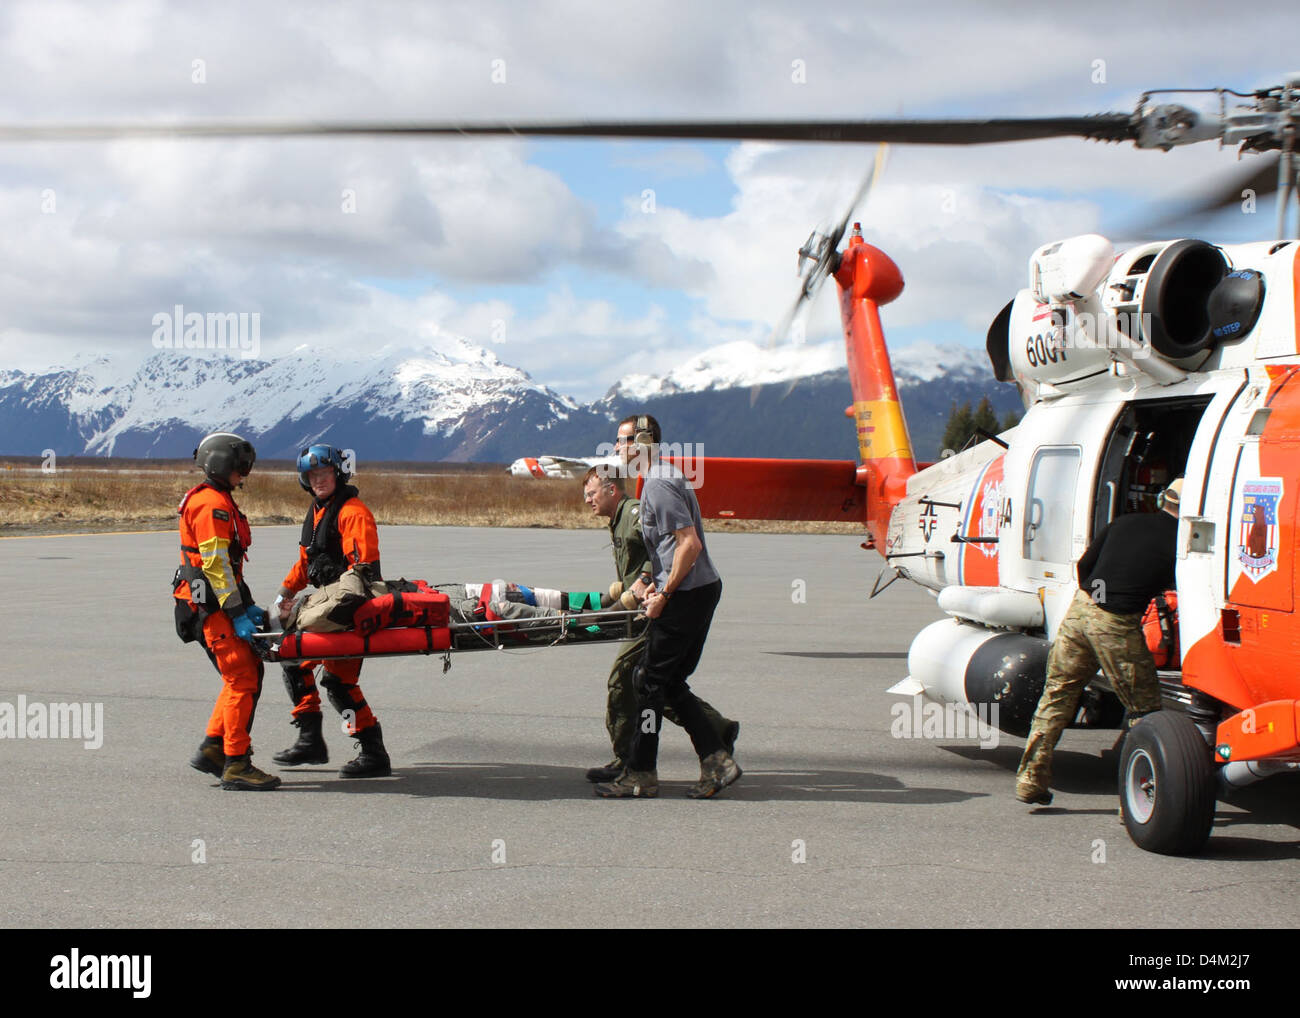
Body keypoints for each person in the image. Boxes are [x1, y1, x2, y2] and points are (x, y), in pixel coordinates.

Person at [595, 414, 741, 799]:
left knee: (648, 682)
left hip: (687, 594)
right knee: (668, 682)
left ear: (643, 441)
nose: (616, 448)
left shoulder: (657, 483)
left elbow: (688, 543)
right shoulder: (660, 477)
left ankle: (641, 773)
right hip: (698, 589)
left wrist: (665, 593)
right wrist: (649, 581)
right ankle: (716, 756)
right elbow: (667, 548)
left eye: (623, 440)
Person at [1015, 478, 1183, 805]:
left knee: (1058, 693)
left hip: (1081, 609)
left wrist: (1099, 597)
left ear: (1165, 500)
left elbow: (1085, 566)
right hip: (1116, 622)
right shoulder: (1181, 543)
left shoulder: (1124, 522)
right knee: (1146, 712)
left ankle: (1029, 778)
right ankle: (1139, 800)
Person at [271, 444, 392, 778]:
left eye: (324, 473)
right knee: (296, 665)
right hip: (328, 606)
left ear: (337, 474)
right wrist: (283, 594)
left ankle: (372, 752)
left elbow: (362, 569)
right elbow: (306, 562)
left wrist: (335, 612)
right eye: (312, 475)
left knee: (338, 684)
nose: (318, 480)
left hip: (349, 610)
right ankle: (311, 739)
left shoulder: (352, 512)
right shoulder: (318, 512)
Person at [177, 432, 280, 791]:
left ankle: (213, 749)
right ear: (221, 463)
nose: (244, 474)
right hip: (212, 606)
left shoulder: (218, 499)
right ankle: (236, 763)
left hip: (217, 601)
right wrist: (236, 611)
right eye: (240, 468)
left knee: (244, 673)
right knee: (242, 679)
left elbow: (229, 565)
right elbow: (216, 563)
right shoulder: (210, 505)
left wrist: (246, 604)